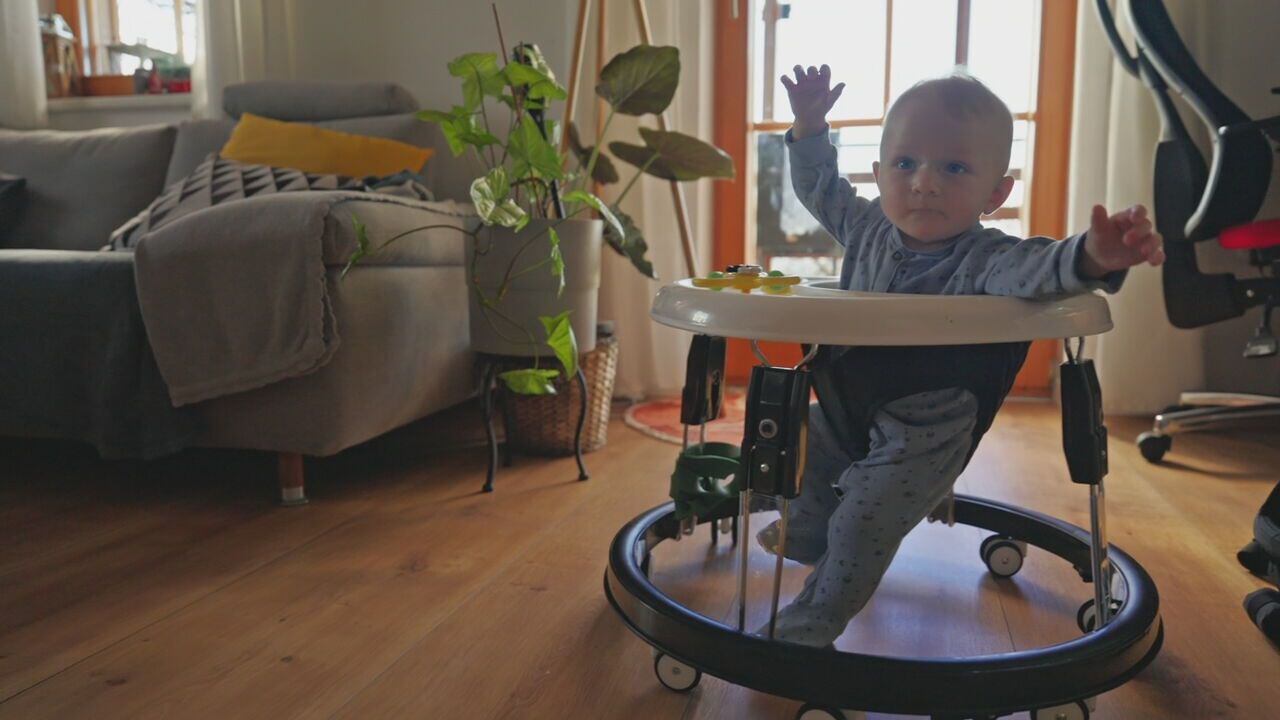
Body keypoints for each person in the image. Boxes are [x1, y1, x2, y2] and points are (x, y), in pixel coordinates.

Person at [756, 65, 1165, 648]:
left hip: (925, 430)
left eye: (953, 168)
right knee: (798, 447)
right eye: (905, 163)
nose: (924, 182)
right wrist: (809, 127)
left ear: (996, 193)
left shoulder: (989, 258)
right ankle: (807, 533)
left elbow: (1042, 267)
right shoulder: (867, 226)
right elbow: (820, 187)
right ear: (879, 173)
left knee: (863, 519)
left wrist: (1095, 256)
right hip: (848, 405)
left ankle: (811, 622)